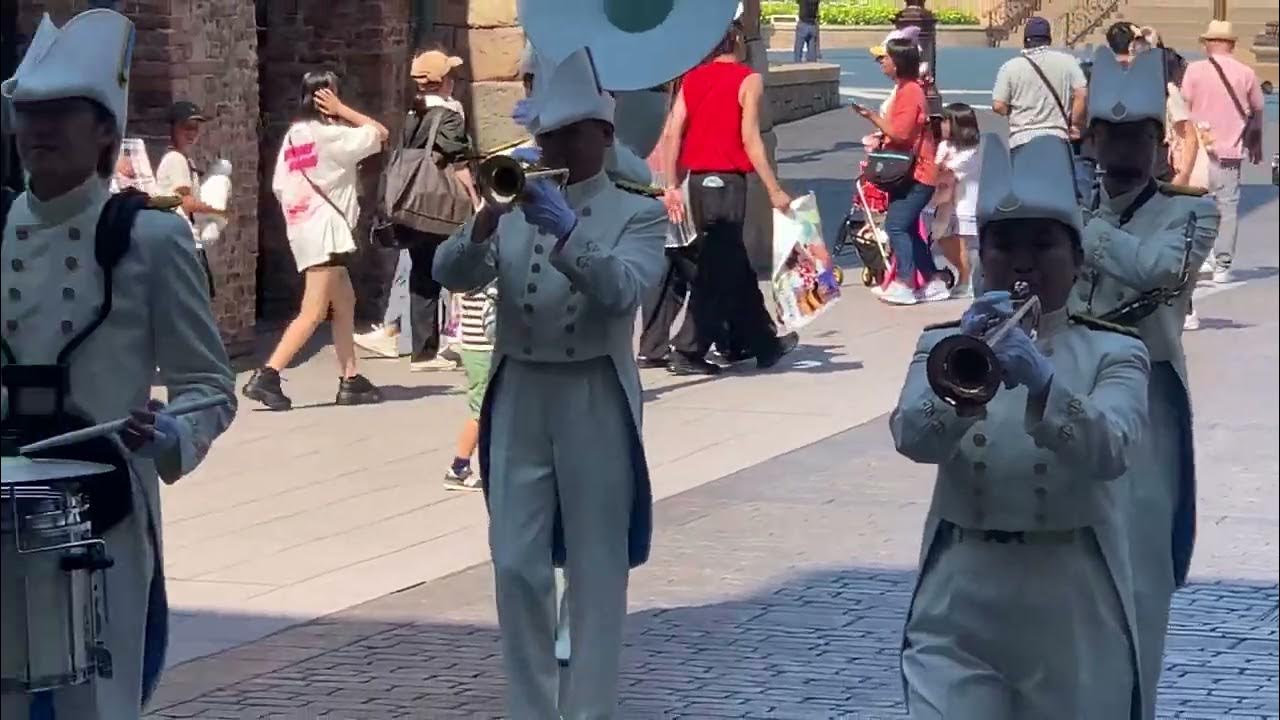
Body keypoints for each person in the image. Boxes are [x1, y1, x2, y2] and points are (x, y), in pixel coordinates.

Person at [0, 9, 236, 718]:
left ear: (105, 128)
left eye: (63, 112)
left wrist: (170, 435)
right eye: (27, 112)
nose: (39, 129)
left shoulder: (152, 237)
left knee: (96, 703)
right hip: (3, 511)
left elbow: (209, 387)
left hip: (100, 516)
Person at [432, 46, 666, 719]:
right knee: (515, 563)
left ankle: (588, 710)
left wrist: (569, 235)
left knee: (596, 570)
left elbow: (623, 292)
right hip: (521, 392)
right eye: (547, 135)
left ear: (602, 135)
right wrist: (482, 220)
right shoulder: (516, 197)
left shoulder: (637, 210)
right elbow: (451, 274)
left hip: (592, 393)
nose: (553, 147)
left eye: (568, 134)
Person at [892, 134, 1151, 720]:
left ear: (1078, 259)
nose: (1022, 262)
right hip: (960, 588)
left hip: (1069, 595)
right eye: (1004, 246)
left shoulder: (1114, 352)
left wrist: (1045, 385)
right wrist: (959, 388)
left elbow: (1114, 448)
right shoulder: (942, 344)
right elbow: (911, 438)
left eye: (1043, 245)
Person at [1074, 46, 1220, 719]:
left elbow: (1159, 273)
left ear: (1160, 144)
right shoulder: (1060, 206)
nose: (1124, 146)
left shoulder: (1191, 212)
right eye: (1112, 133)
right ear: (1092, 137)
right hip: (1071, 387)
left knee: (1140, 573)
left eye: (1139, 134)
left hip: (1151, 396)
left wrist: (1088, 231)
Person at [241, 72, 388, 411]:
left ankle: (350, 378)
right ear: (327, 97)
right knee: (313, 311)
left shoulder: (295, 135)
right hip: (327, 232)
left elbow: (280, 185)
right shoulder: (331, 136)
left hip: (304, 227)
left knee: (345, 301)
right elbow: (380, 134)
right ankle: (268, 375)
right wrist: (344, 109)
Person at [658, 23, 800, 375]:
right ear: (736, 41)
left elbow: (673, 132)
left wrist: (671, 183)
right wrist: (773, 189)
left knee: (732, 263)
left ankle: (758, 341)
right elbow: (751, 139)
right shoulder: (748, 79)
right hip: (727, 181)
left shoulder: (692, 78)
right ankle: (688, 349)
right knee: (717, 268)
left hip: (697, 183)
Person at [355, 47, 477, 370]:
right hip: (436, 205)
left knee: (422, 272)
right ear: (444, 81)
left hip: (411, 202)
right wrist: (475, 199)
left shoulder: (414, 113)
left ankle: (424, 348)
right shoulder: (448, 115)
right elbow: (458, 161)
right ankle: (447, 341)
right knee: (449, 267)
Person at [853, 38, 947, 305]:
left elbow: (901, 134)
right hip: (914, 172)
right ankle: (931, 281)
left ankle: (906, 282)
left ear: (899, 63)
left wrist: (872, 117)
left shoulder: (909, 92)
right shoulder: (908, 89)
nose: (881, 62)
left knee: (895, 225)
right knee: (906, 227)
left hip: (917, 173)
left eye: (885, 58)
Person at [1180, 20, 1266, 285]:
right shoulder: (1245, 73)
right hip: (1230, 152)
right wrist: (1255, 143)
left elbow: (1184, 108)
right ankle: (1222, 264)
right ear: (1231, 44)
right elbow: (1257, 110)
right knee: (1226, 208)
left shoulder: (1193, 71)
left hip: (1198, 153)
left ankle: (1201, 258)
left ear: (1209, 43)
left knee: (1195, 207)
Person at [991, 17, 1090, 201]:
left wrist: (1013, 110)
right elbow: (1081, 93)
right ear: (1049, 39)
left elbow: (998, 105)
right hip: (1056, 138)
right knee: (1058, 194)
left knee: (1026, 194)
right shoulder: (1068, 62)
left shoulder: (1010, 67)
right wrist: (1075, 123)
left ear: (1025, 39)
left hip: (1022, 139)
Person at [154, 100, 223, 296]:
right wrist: (217, 212)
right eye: (186, 128)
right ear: (173, 128)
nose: (191, 133)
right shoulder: (176, 160)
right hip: (184, 240)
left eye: (195, 128)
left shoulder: (184, 160)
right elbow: (186, 202)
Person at [931, 102, 981, 298]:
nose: (942, 125)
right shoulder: (945, 145)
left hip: (965, 201)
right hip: (945, 203)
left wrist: (938, 168)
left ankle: (966, 280)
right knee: (942, 238)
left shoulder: (972, 149)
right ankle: (964, 273)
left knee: (962, 243)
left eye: (946, 121)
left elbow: (950, 170)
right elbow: (936, 166)